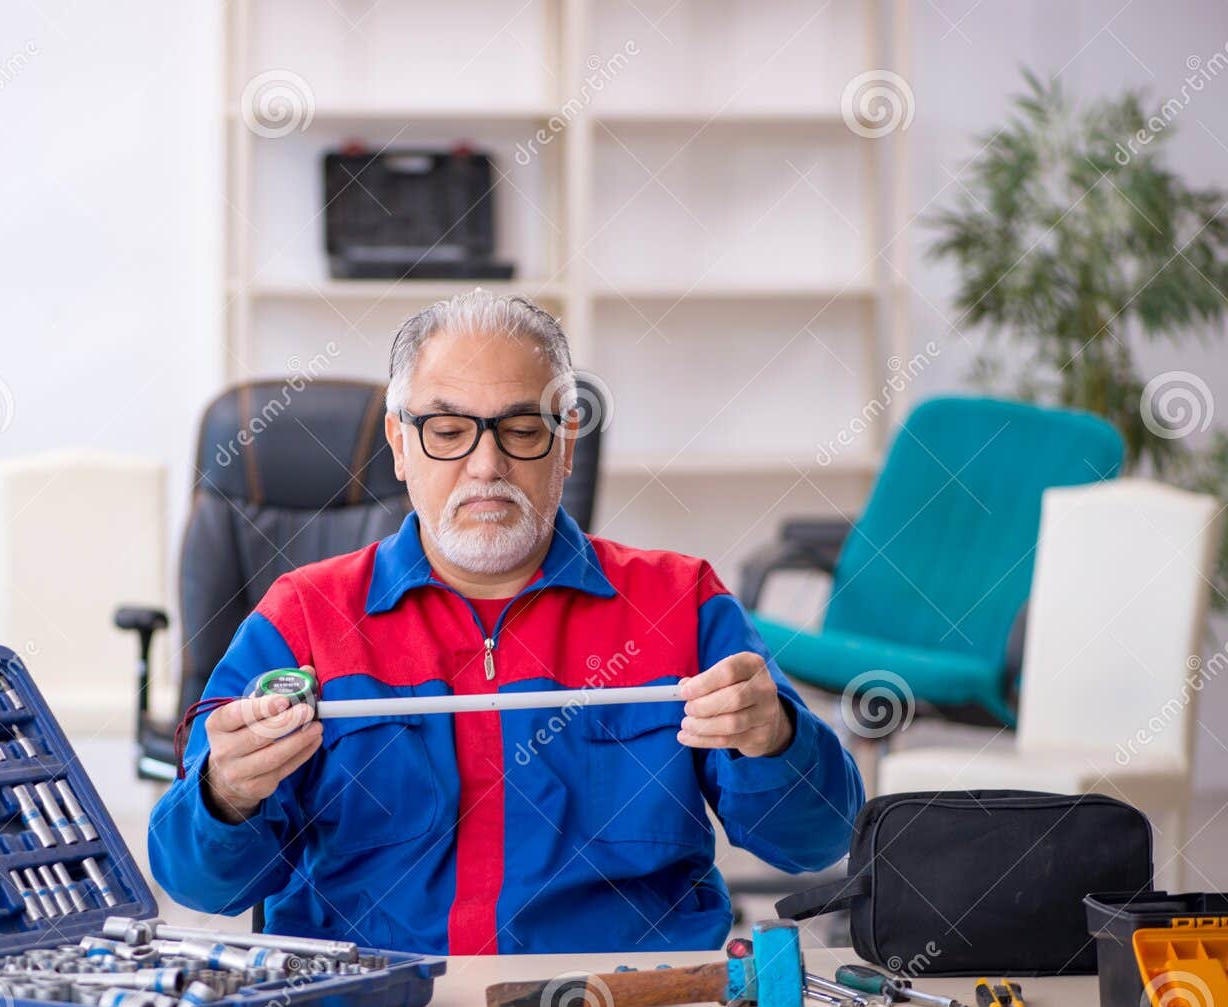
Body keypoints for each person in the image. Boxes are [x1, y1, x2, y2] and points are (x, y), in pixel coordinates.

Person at [149, 290, 864, 954]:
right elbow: (200, 885)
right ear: (399, 444)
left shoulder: (681, 602)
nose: (485, 465)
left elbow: (817, 841)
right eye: (448, 431)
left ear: (567, 442)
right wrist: (227, 793)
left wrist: (775, 740)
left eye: (521, 429)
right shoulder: (303, 616)